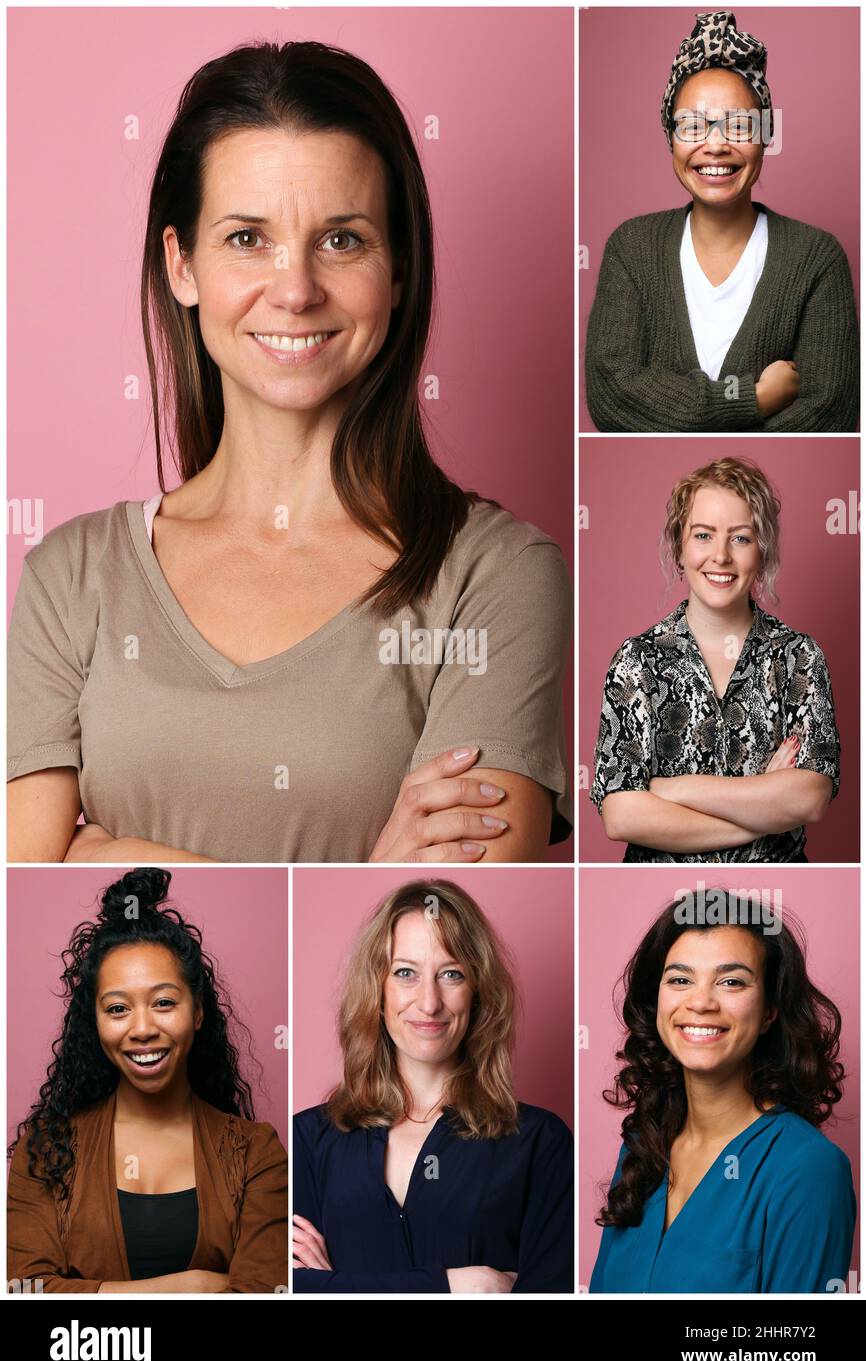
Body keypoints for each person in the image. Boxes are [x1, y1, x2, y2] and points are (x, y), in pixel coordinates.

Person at [7, 40, 571, 866]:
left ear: (399, 270)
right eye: (247, 238)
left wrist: (107, 859)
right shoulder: (70, 576)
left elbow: (447, 916)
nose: (297, 287)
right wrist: (361, 877)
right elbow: (21, 905)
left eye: (342, 240)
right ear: (182, 264)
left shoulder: (499, 576)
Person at [7, 868, 287, 1293]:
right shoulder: (46, 1151)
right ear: (95, 1021)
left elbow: (264, 1292)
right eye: (118, 1008)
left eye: (163, 1002)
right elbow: (25, 1289)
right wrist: (194, 1286)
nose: (141, 1029)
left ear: (197, 1012)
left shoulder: (256, 1153)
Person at [292, 879, 573, 1293]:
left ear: (478, 993)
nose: (429, 1002)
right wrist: (455, 1286)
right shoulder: (310, 1140)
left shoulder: (540, 1143)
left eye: (452, 974)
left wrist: (338, 1284)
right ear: (377, 990)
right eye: (405, 973)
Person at [584, 11, 859, 432]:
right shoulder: (632, 247)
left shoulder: (816, 258)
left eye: (738, 125)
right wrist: (754, 398)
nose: (715, 144)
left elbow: (830, 412)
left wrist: (682, 411)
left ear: (766, 135)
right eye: (693, 126)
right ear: (671, 139)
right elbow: (612, 397)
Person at [589, 890, 856, 1293]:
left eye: (731, 981)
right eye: (680, 979)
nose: (700, 1002)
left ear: (769, 1010)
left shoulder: (809, 1169)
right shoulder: (643, 1146)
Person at [590, 457, 840, 862]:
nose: (720, 556)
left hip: (775, 881)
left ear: (762, 549)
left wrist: (676, 788)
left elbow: (809, 798)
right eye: (703, 535)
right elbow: (621, 816)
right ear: (680, 546)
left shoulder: (798, 656)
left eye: (740, 538)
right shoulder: (637, 660)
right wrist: (764, 807)